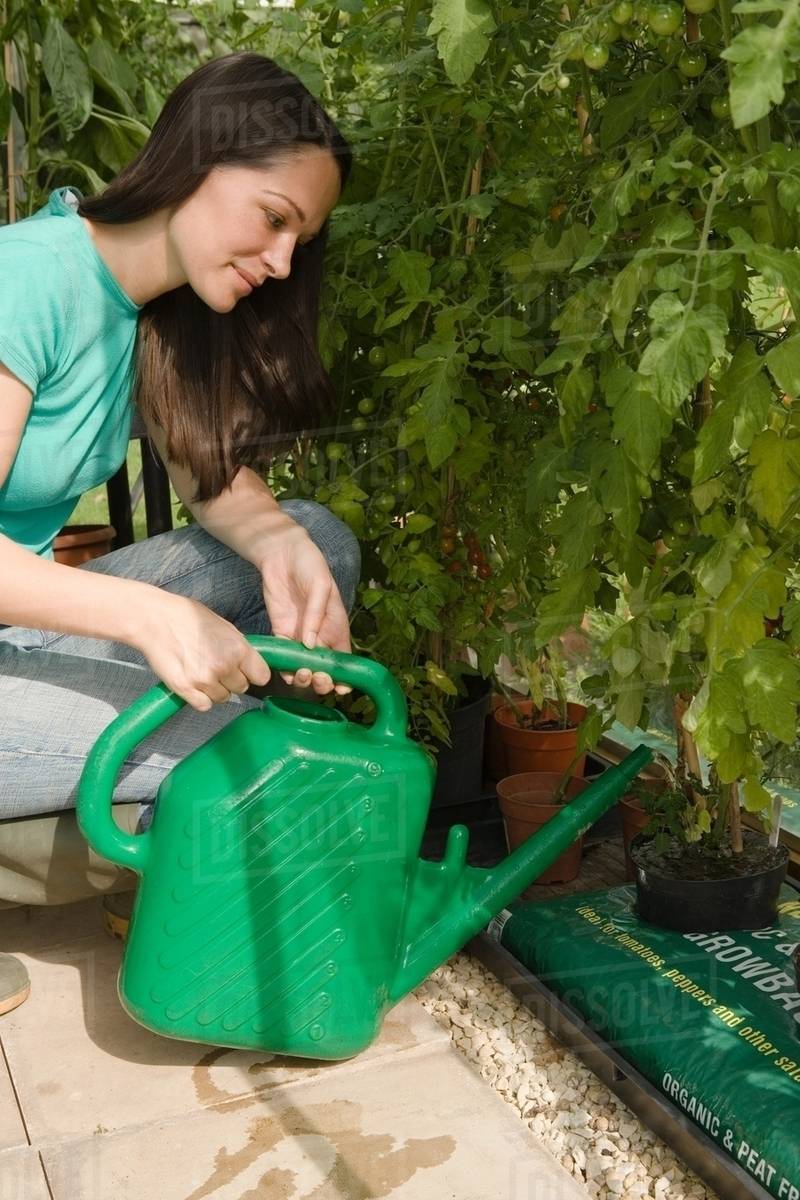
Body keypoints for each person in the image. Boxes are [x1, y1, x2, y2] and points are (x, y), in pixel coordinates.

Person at [0, 52, 362, 1014]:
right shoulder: (28, 280)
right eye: (275, 218)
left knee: (317, 546)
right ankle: (163, 855)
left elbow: (213, 483)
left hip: (15, 634)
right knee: (238, 750)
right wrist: (145, 617)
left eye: (302, 239)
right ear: (201, 156)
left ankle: (171, 813)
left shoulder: (153, 310)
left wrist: (281, 546)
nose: (283, 261)